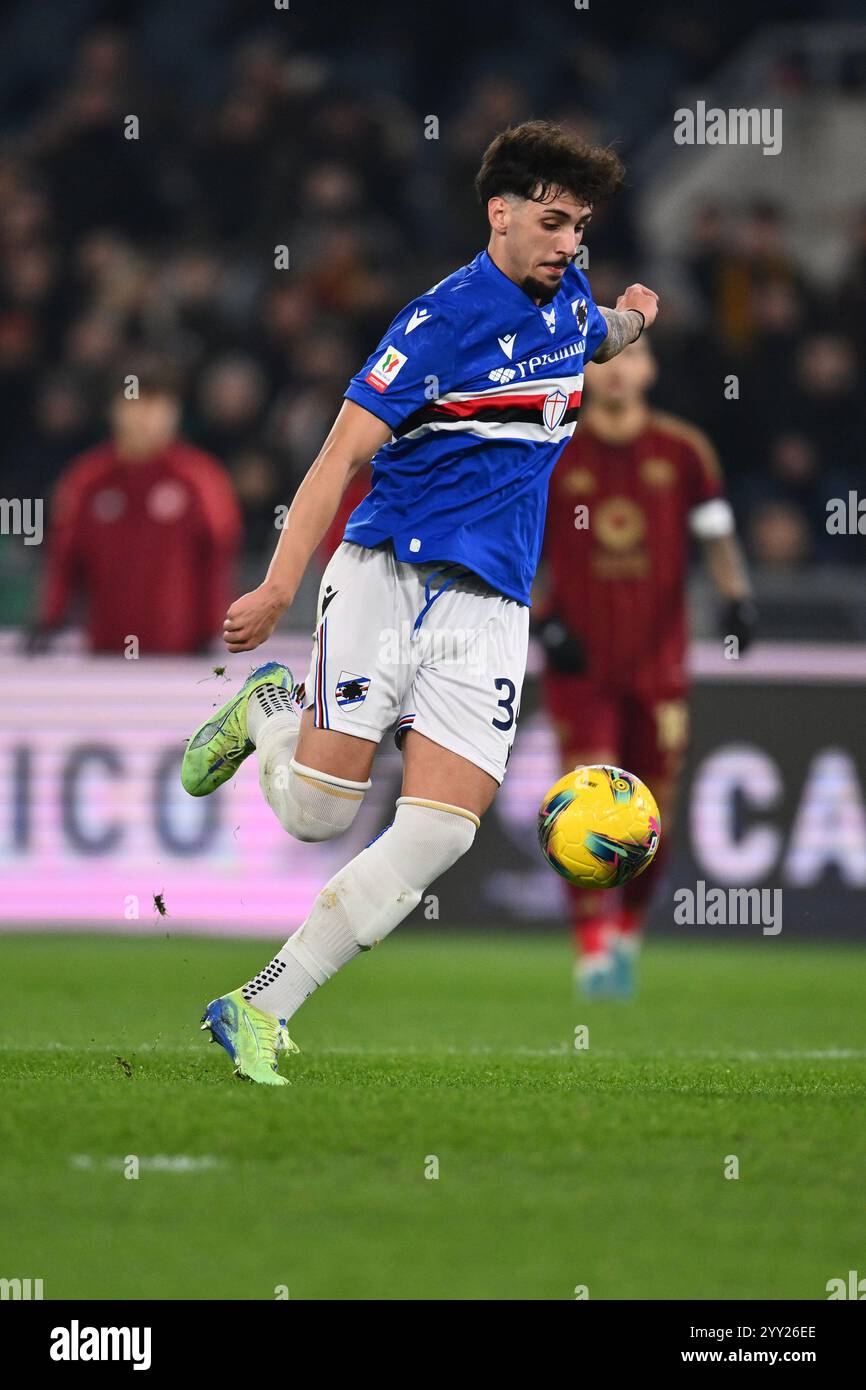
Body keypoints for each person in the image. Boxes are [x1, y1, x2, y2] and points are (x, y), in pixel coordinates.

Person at [181, 120, 659, 1085]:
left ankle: (259, 1007)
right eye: (555, 223)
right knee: (317, 815)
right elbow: (338, 457)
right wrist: (279, 583)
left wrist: (635, 318)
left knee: (440, 830)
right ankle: (269, 709)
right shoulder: (439, 323)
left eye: (581, 229)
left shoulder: (566, 293)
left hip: (491, 608)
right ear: (502, 213)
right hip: (387, 573)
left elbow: (588, 336)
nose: (570, 245)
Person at [537, 336, 756, 998]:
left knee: (650, 810)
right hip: (580, 664)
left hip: (659, 664)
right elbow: (518, 546)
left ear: (649, 369)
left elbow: (717, 534)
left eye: (629, 358)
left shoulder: (683, 451)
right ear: (583, 373)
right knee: (589, 803)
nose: (616, 372)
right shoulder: (553, 449)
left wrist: (738, 598)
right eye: (601, 361)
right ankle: (591, 950)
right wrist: (541, 619)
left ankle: (628, 930)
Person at [33, 358, 242, 655]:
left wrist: (213, 629)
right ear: (113, 409)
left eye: (156, 404)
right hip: (103, 655)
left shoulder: (200, 479)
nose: (145, 415)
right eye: (135, 402)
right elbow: (65, 560)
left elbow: (217, 557)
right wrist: (50, 620)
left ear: (174, 412)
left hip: (180, 657)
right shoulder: (87, 481)